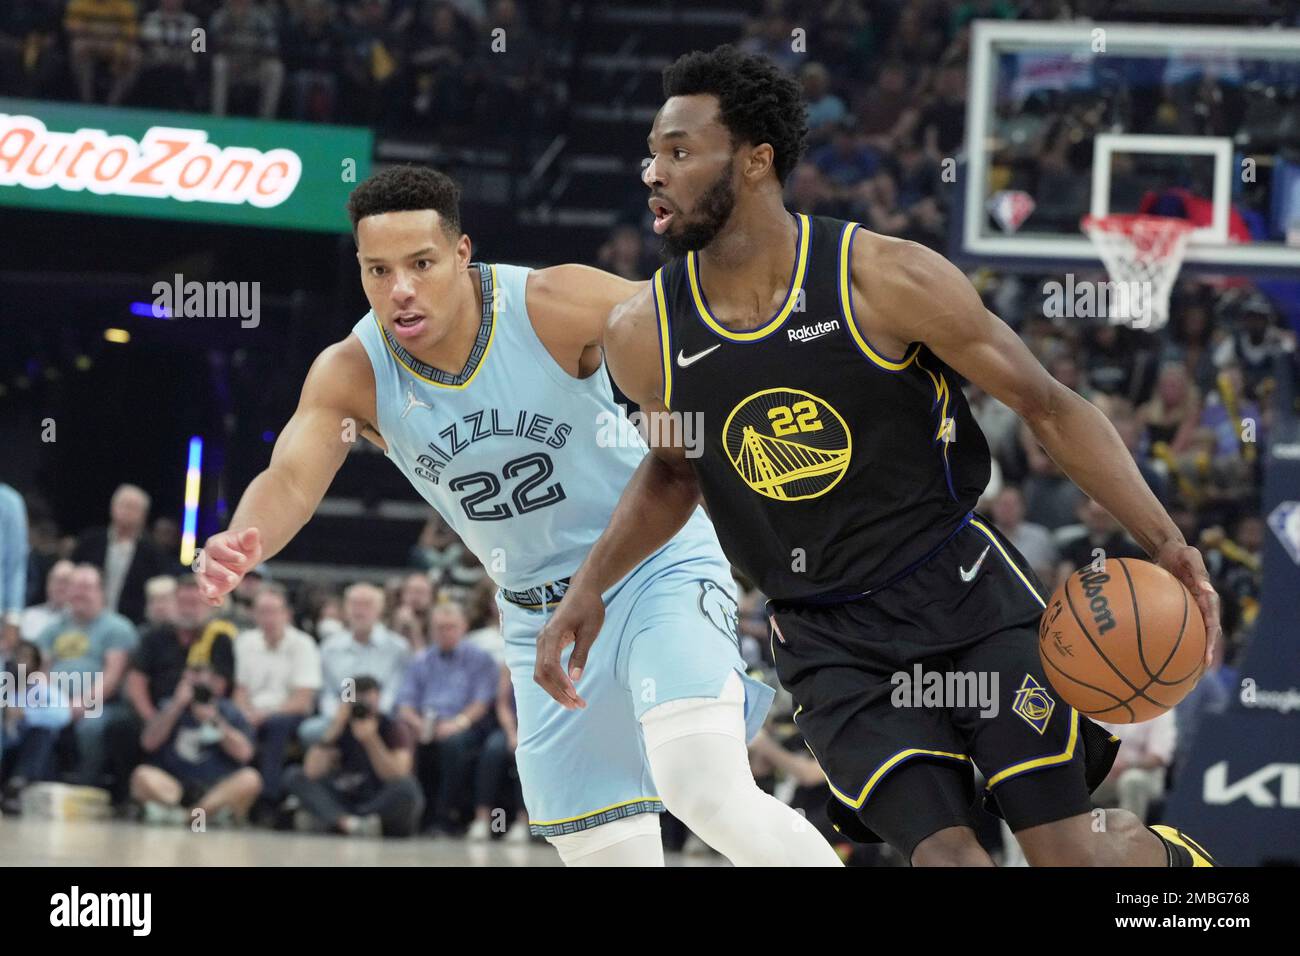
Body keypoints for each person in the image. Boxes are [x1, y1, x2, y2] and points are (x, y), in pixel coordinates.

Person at [536, 45, 1221, 868]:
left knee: (1067, 857)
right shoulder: (642, 335)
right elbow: (677, 471)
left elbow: (1047, 403)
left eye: (680, 151)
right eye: (653, 153)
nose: (654, 171)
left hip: (963, 593)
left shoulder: (885, 279)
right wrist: (588, 586)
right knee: (948, 861)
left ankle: (1179, 868)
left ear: (757, 161)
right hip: (830, 639)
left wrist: (1164, 539)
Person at [196, 164, 837, 866]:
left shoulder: (551, 302)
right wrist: (240, 540)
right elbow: (289, 477)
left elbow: (701, 331)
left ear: (463, 254)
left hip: (656, 565)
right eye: (378, 271)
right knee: (605, 850)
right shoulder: (353, 371)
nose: (400, 289)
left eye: (420, 264)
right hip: (541, 617)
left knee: (701, 783)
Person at [33, 565, 138, 787]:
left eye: (87, 587)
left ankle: (86, 783)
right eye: (75, 587)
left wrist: (80, 705)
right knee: (31, 719)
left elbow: (113, 675)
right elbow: (39, 669)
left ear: (101, 592)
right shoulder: (54, 628)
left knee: (90, 725)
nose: (80, 593)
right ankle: (31, 782)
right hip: (57, 701)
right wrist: (45, 701)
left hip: (104, 704)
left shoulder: (117, 627)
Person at [284, 675, 423, 837]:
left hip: (377, 796)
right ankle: (347, 822)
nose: (360, 705)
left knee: (407, 788)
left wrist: (371, 740)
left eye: (366, 698)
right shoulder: (339, 728)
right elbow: (312, 772)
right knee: (294, 775)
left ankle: (334, 821)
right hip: (345, 795)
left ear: (378, 698)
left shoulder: (393, 727)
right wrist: (334, 730)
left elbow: (397, 774)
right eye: (356, 699)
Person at [132, 666, 262, 826]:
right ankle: (194, 816)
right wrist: (177, 706)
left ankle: (193, 815)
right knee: (141, 775)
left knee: (251, 778)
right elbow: (148, 743)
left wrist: (215, 720)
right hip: (174, 788)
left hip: (215, 789)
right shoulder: (169, 705)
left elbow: (245, 753)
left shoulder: (229, 711)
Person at [232, 584, 321, 802]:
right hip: (251, 711)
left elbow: (303, 699)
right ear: (254, 615)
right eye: (262, 612)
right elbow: (240, 690)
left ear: (287, 615)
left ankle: (268, 798)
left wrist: (266, 714)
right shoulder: (244, 642)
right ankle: (234, 795)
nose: (268, 618)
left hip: (288, 712)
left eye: (273, 612)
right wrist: (245, 712)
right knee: (230, 719)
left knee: (277, 726)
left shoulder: (304, 644)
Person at [301, 582, 410, 746]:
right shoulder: (330, 647)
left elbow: (395, 690)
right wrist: (337, 714)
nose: (360, 611)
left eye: (366, 605)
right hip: (339, 715)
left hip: (383, 717)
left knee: (401, 729)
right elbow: (327, 692)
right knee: (309, 731)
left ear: (380, 610)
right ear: (345, 610)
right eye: (354, 604)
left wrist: (376, 712)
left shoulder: (398, 647)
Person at [71, 484, 165, 626]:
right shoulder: (90, 541)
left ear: (144, 515)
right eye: (124, 505)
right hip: (85, 620)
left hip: (132, 623)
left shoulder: (152, 553)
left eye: (134, 508)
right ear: (112, 507)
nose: (127, 512)